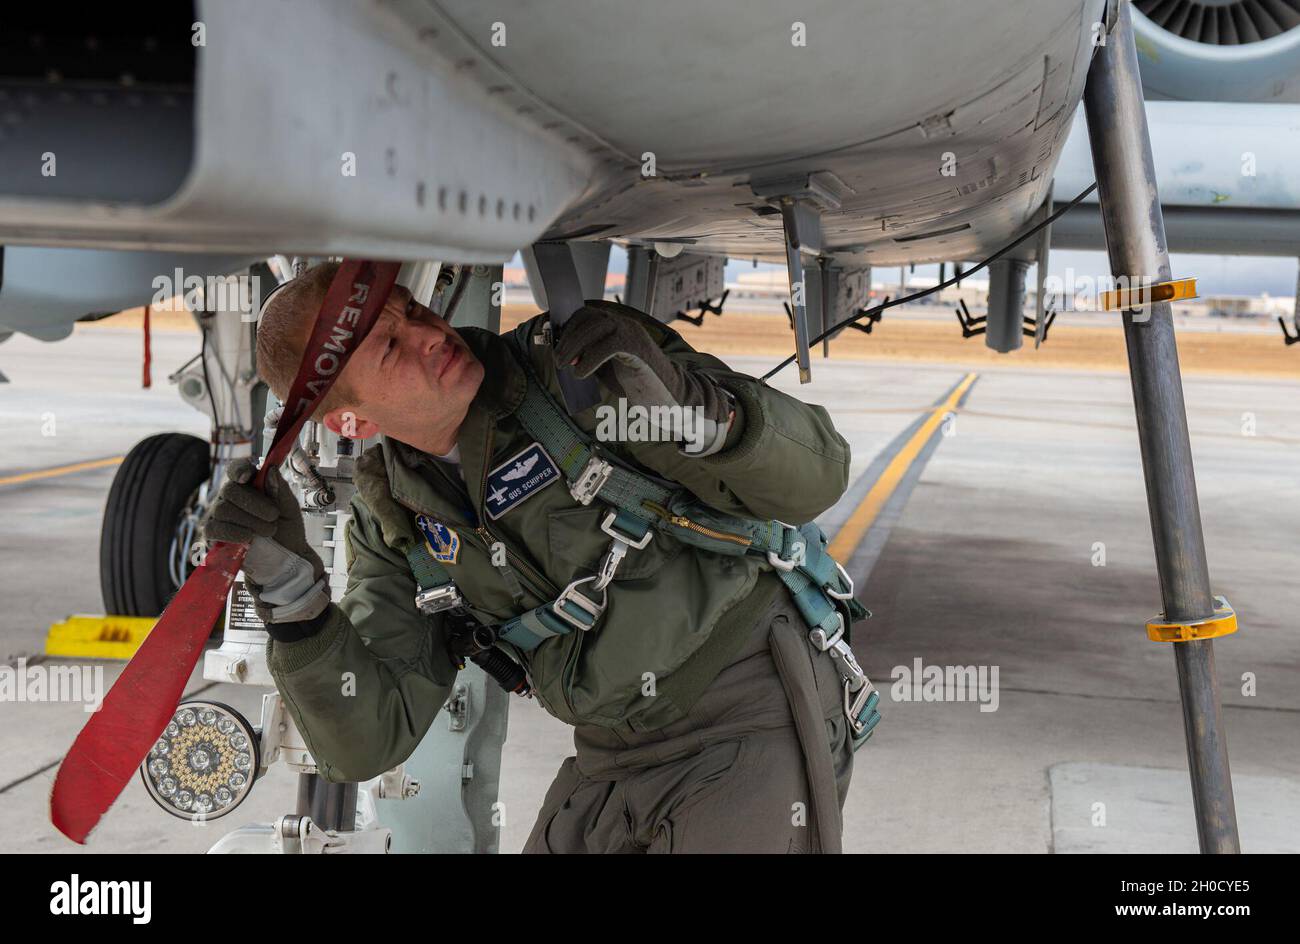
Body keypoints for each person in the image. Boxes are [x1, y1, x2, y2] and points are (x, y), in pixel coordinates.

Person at [203, 260, 877, 853]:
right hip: (612, 746)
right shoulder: (396, 519)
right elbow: (367, 741)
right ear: (352, 422)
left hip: (748, 705)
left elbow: (818, 476)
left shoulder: (580, 369)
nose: (433, 335)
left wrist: (692, 409)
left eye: (411, 313)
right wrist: (293, 596)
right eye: (390, 347)